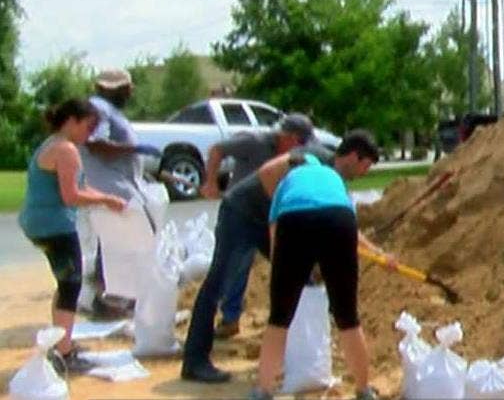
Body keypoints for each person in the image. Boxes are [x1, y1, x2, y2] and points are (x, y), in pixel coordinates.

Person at [181, 115, 316, 383]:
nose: (301, 149)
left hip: (267, 218)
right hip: (239, 215)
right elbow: (217, 150)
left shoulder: (292, 159)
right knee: (217, 284)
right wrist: (209, 182)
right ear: (288, 137)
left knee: (301, 274)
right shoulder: (254, 141)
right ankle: (194, 361)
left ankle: (303, 351)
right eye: (300, 143)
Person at [251, 130, 381, 400]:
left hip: (294, 221)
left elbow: (276, 233)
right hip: (339, 220)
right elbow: (350, 230)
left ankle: (262, 391)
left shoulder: (288, 183)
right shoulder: (334, 180)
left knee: (279, 320)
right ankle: (364, 389)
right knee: (347, 317)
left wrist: (281, 274)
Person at [18, 99, 127, 373]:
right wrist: (105, 199)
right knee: (71, 286)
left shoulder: (53, 144)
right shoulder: (66, 150)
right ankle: (64, 352)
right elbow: (72, 196)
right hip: (53, 225)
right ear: (72, 121)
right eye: (88, 127)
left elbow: (78, 184)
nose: (90, 134)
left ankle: (60, 343)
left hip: (40, 222)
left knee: (65, 283)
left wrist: (104, 197)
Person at [79, 69, 161, 317]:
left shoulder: (103, 109)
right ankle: (109, 300)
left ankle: (111, 298)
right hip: (109, 188)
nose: (130, 94)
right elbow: (96, 144)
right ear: (116, 89)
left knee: (115, 243)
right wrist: (134, 148)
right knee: (126, 240)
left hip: (116, 185)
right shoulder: (100, 109)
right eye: (127, 90)